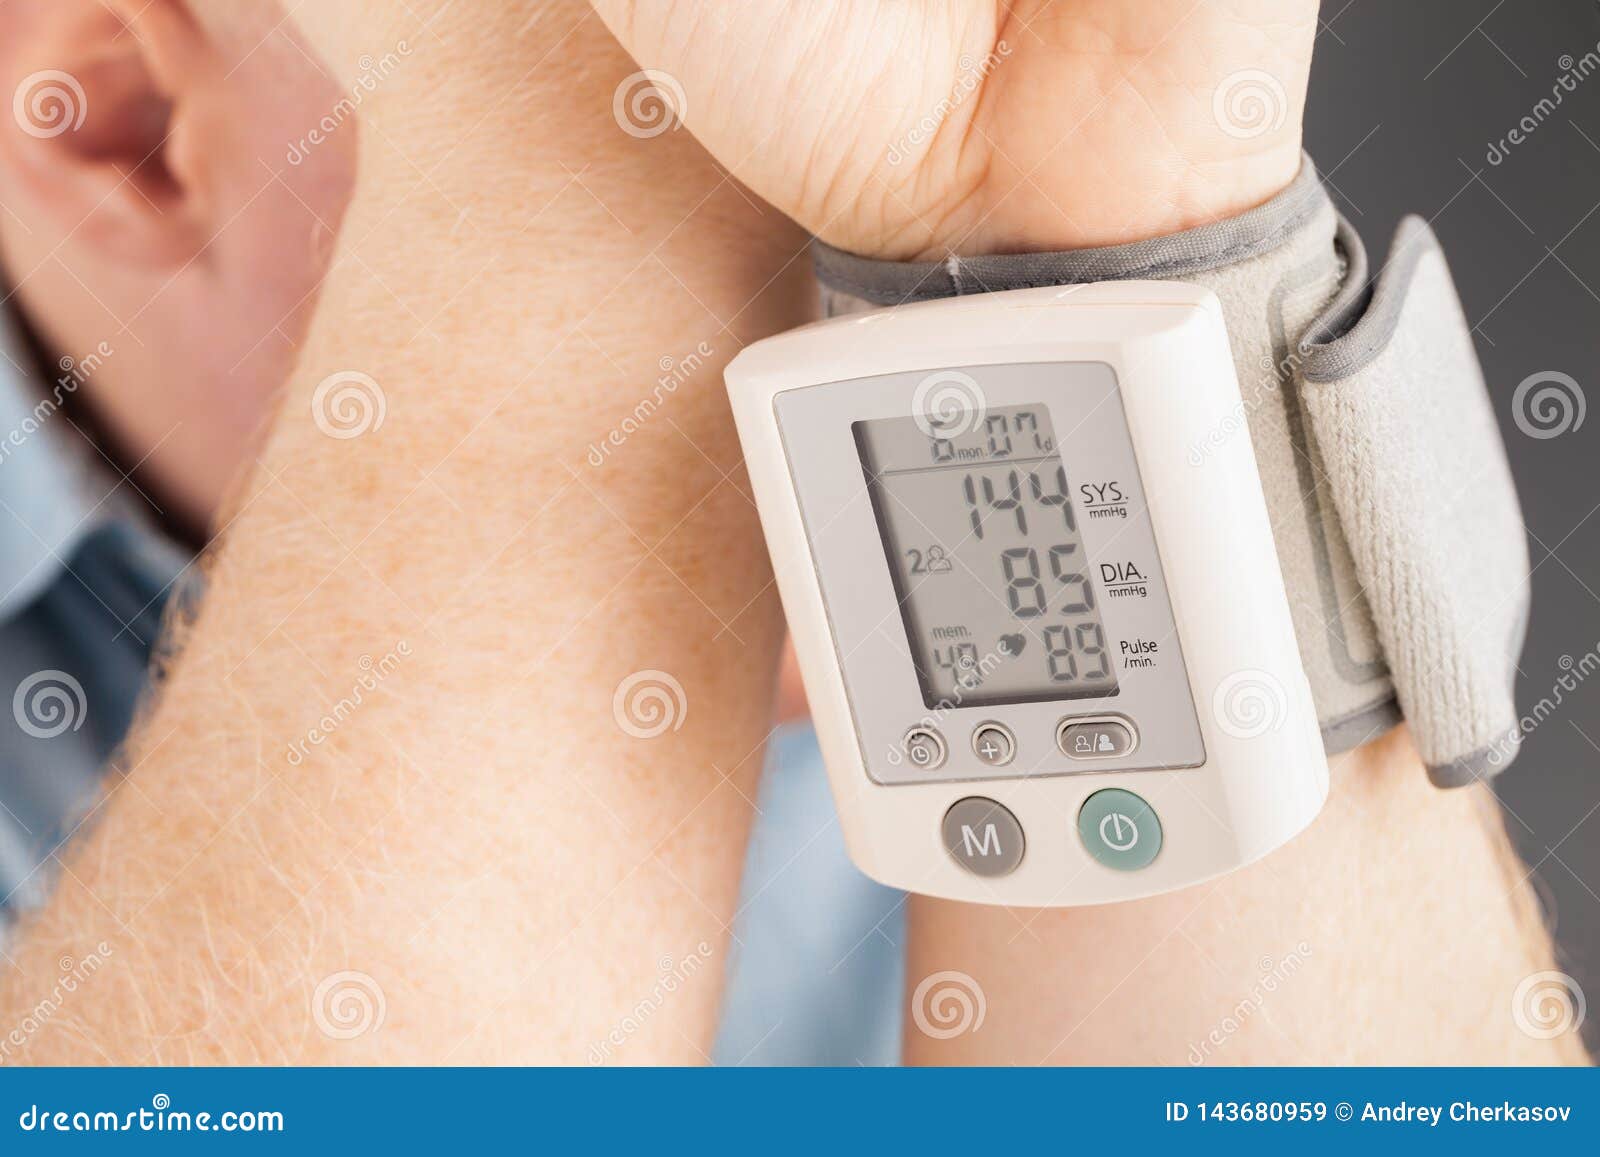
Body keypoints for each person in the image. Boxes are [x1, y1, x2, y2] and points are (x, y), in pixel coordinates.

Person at [0, 0, 1583, 1065]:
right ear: (120, 125)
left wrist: (1113, 212)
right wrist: (554, 156)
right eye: (696, 124)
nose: (883, 267)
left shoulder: (967, 196)